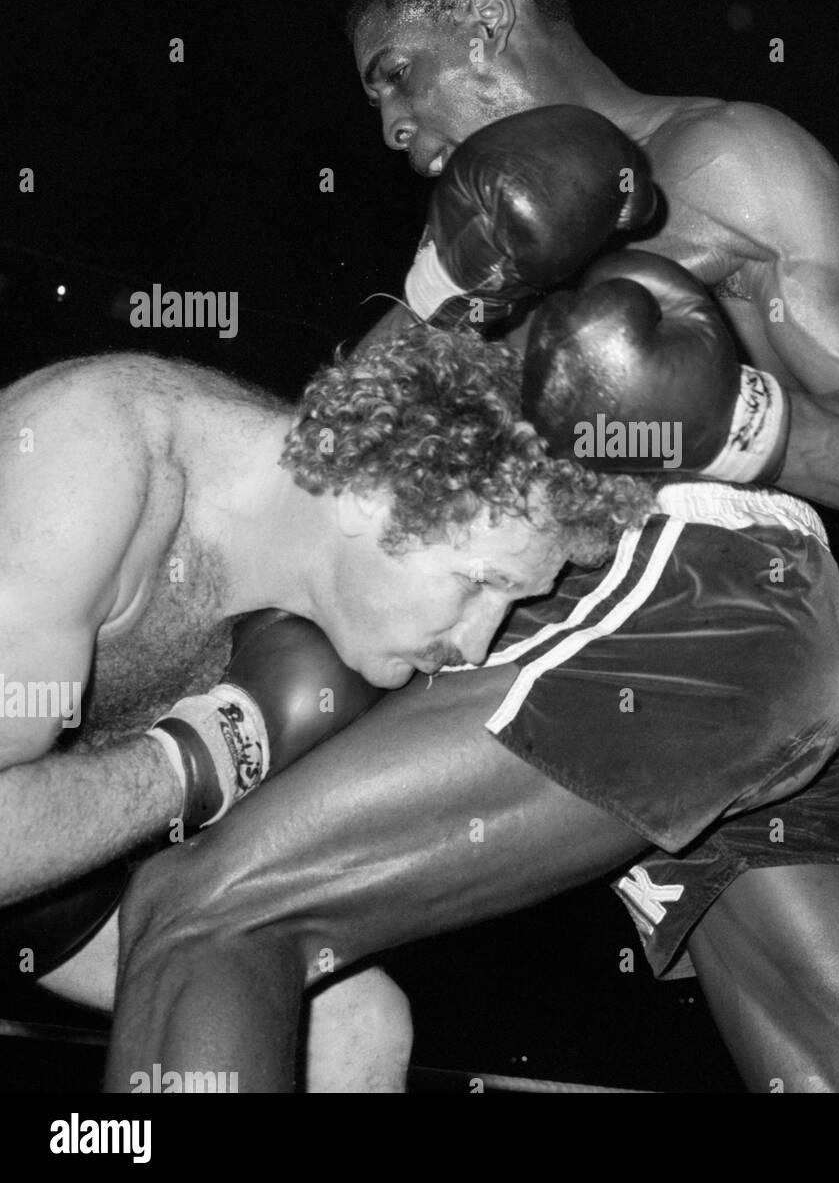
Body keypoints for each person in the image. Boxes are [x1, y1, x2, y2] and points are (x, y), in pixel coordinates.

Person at [104, 0, 839, 1093]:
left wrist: (734, 424)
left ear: (485, 24)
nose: (391, 129)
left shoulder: (721, 159)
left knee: (200, 915)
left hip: (687, 606)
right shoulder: (479, 239)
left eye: (397, 77)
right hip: (688, 688)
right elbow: (328, 469)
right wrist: (437, 293)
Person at [0, 322, 649, 1090]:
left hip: (50, 861)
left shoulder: (304, 499)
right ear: (371, 495)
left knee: (351, 1026)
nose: (475, 643)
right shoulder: (88, 473)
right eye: (479, 583)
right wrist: (203, 758)